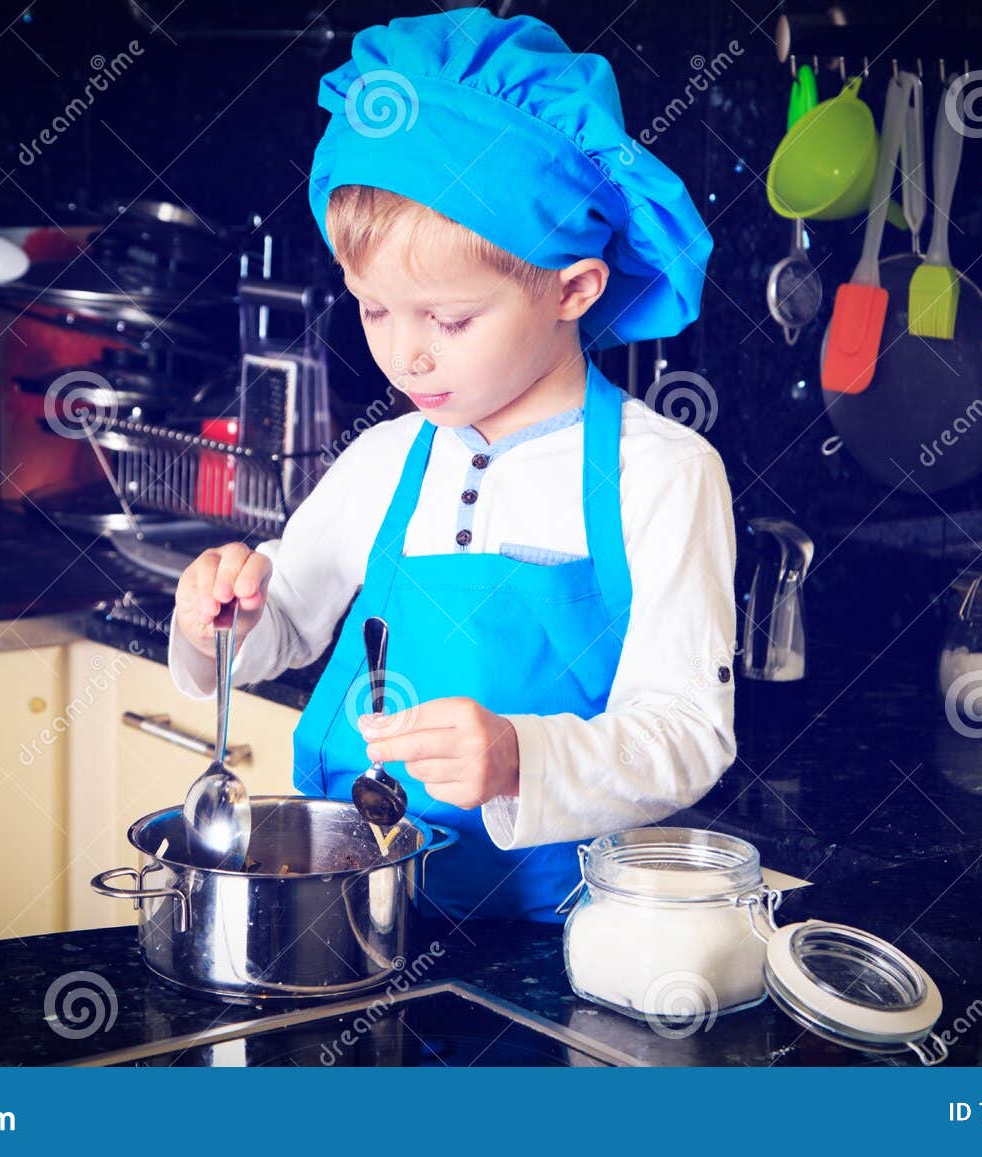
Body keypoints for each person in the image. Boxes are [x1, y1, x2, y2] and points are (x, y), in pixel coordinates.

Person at [170, 8, 735, 923]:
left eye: (451, 319)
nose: (407, 358)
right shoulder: (383, 458)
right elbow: (275, 631)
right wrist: (216, 616)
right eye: (374, 310)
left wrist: (521, 756)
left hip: (558, 947)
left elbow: (687, 735)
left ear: (573, 288)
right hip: (350, 922)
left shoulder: (662, 472)